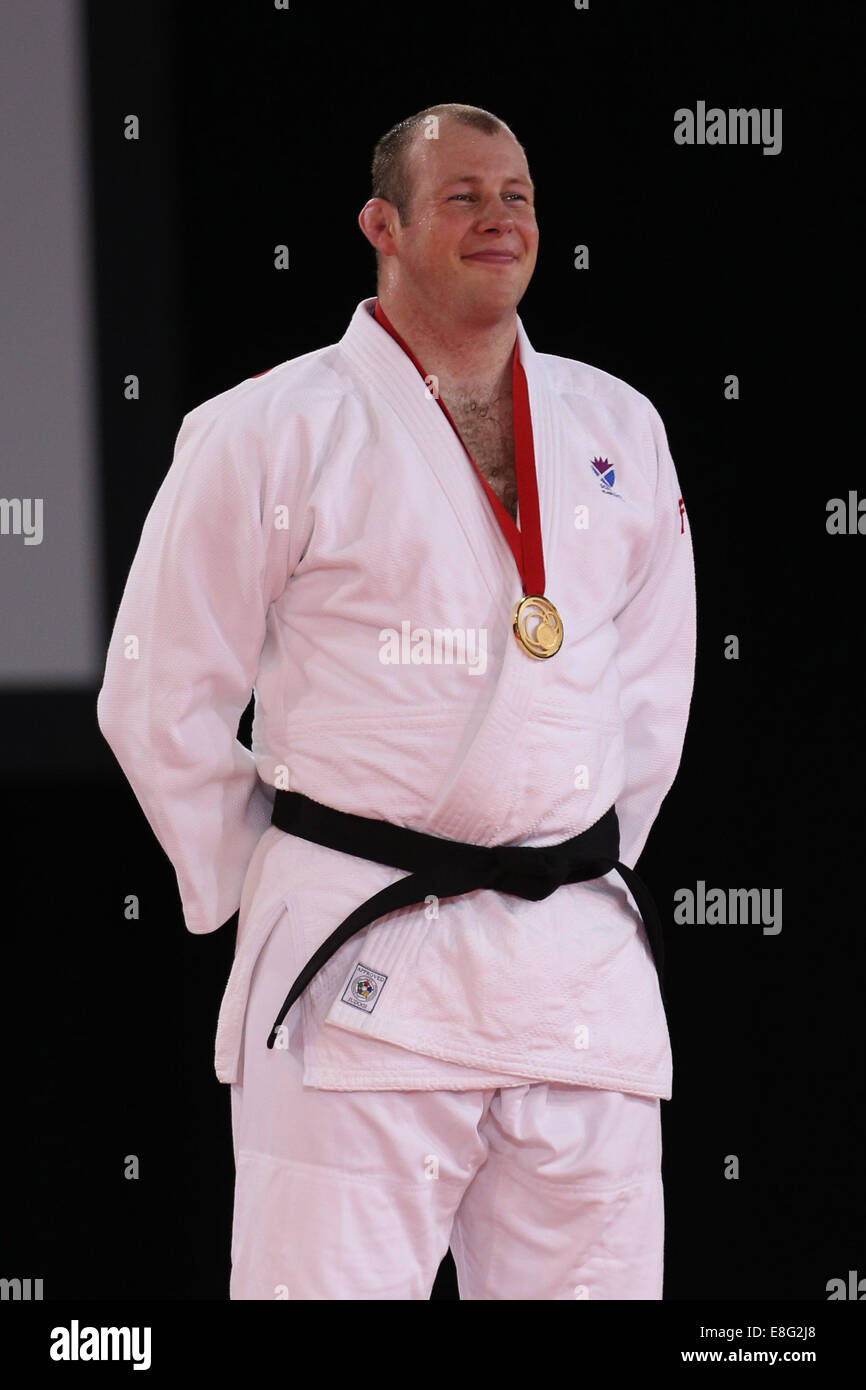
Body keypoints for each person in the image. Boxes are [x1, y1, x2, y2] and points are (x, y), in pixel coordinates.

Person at [96, 101, 696, 1300]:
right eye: (462, 195)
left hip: (573, 970)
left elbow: (648, 687)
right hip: (359, 959)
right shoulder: (264, 429)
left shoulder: (616, 425)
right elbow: (159, 694)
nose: (497, 219)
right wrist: (265, 880)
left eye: (516, 195)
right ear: (382, 223)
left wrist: (574, 853)